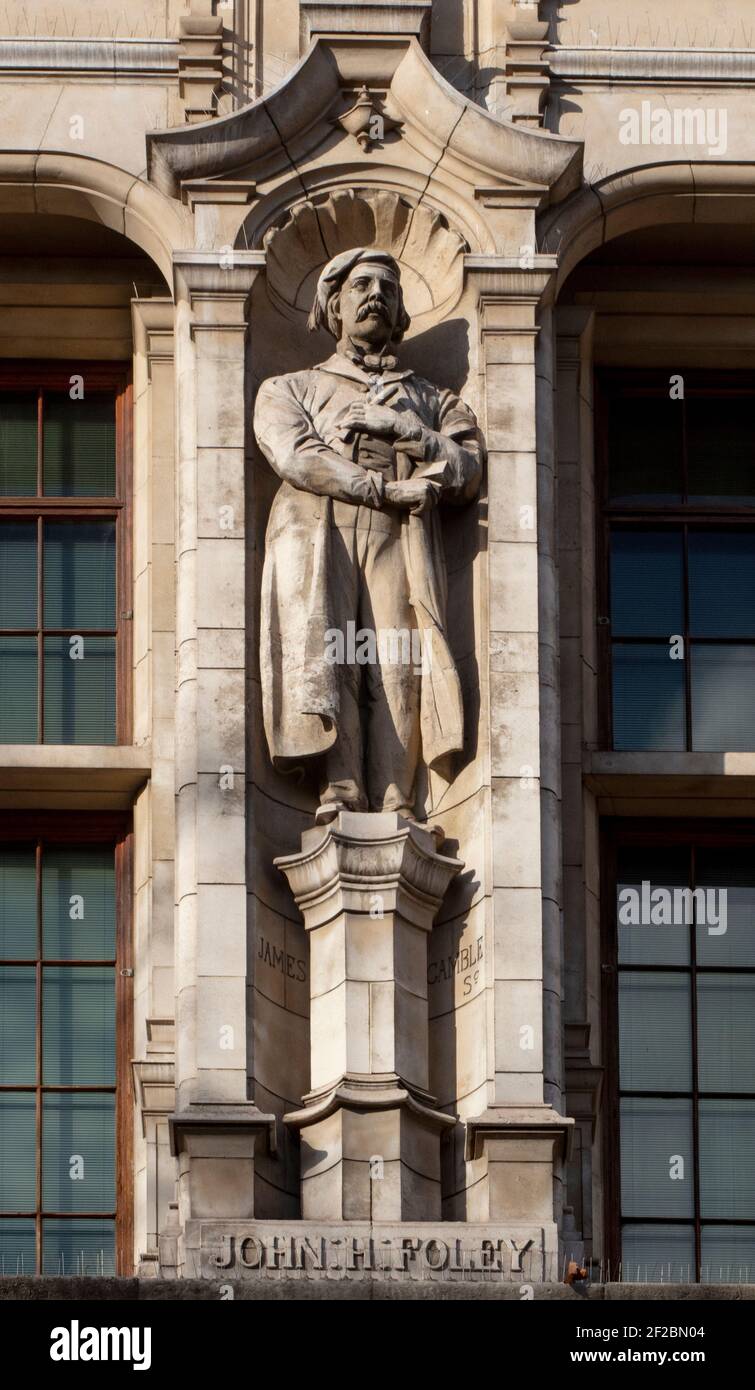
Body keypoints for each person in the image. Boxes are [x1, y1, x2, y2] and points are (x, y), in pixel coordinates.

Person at [254, 247, 484, 823]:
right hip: (319, 533)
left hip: (397, 537)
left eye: (387, 286)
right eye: (360, 286)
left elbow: (467, 467)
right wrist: (382, 488)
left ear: (401, 310)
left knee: (397, 661)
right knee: (333, 656)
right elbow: (297, 456)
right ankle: (342, 786)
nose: (374, 294)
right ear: (334, 305)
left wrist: (405, 430)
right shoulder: (291, 388)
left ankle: (397, 797)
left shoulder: (432, 398)